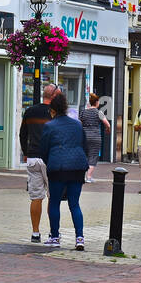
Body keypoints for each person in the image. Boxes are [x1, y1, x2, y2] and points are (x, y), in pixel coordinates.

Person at [40, 91, 89, 250]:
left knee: (54, 202)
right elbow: (85, 146)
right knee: (74, 204)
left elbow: (44, 149)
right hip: (77, 167)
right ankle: (79, 238)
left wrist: (50, 162)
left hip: (58, 168)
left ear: (53, 110)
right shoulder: (77, 124)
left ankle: (55, 237)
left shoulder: (49, 126)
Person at [19, 82, 57, 242]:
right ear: (54, 96)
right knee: (52, 196)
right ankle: (52, 232)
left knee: (36, 197)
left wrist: (26, 153)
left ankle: (35, 233)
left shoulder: (30, 111)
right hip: (51, 158)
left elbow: (22, 134)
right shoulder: (55, 113)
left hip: (33, 157)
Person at [79, 93, 111, 184]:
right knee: (93, 156)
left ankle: (81, 176)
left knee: (84, 156)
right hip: (95, 137)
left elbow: (79, 123)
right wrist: (107, 129)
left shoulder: (83, 112)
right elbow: (107, 124)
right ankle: (88, 177)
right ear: (96, 102)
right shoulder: (99, 112)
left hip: (84, 137)